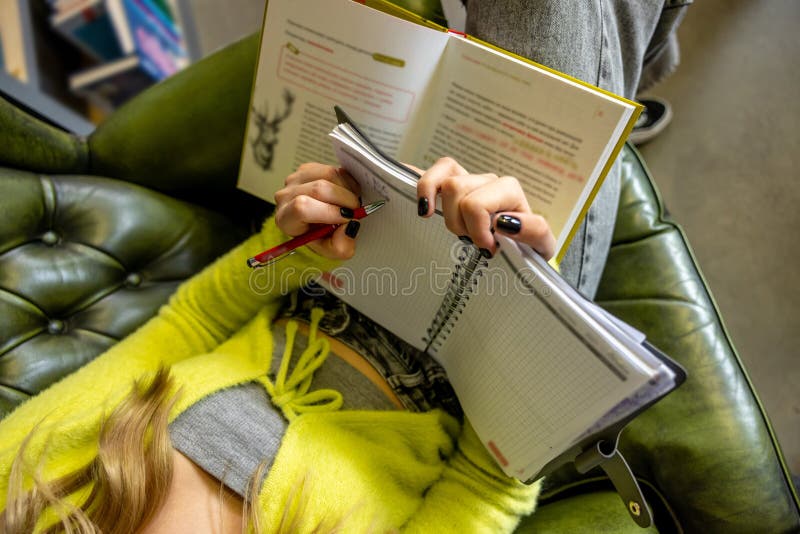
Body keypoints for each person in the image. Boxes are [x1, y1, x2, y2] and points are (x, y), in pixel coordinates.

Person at [0, 1, 690, 532]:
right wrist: (529, 281)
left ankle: (638, 72)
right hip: (486, 361)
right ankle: (637, 75)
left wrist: (295, 240)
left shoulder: (20, 488)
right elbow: (488, 486)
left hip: (345, 263)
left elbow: (192, 321)